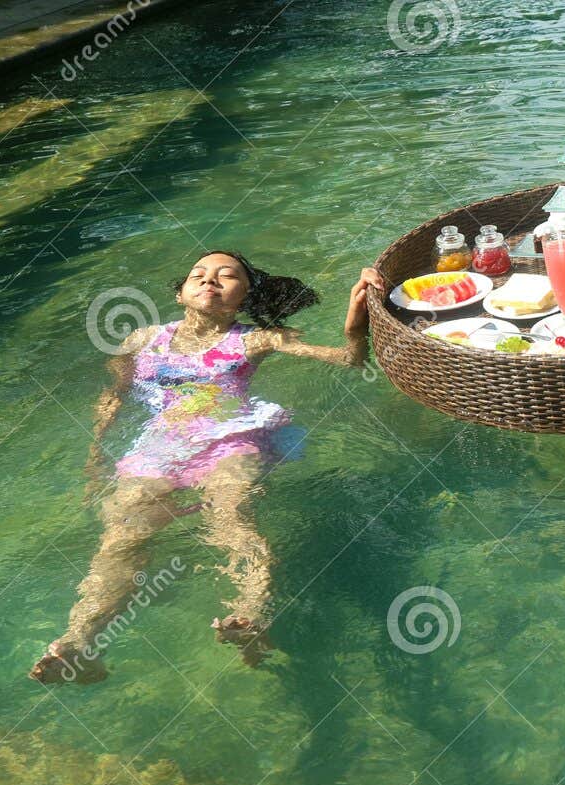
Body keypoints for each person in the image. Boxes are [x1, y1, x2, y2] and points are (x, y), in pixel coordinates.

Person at [30, 251, 386, 683]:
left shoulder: (258, 339)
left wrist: (358, 319)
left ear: (245, 295)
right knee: (120, 539)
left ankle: (250, 615)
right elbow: (113, 398)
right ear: (180, 293)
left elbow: (349, 360)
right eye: (198, 275)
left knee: (231, 517)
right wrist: (96, 455)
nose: (209, 281)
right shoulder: (142, 338)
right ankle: (79, 643)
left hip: (229, 439)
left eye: (227, 276)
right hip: (160, 448)